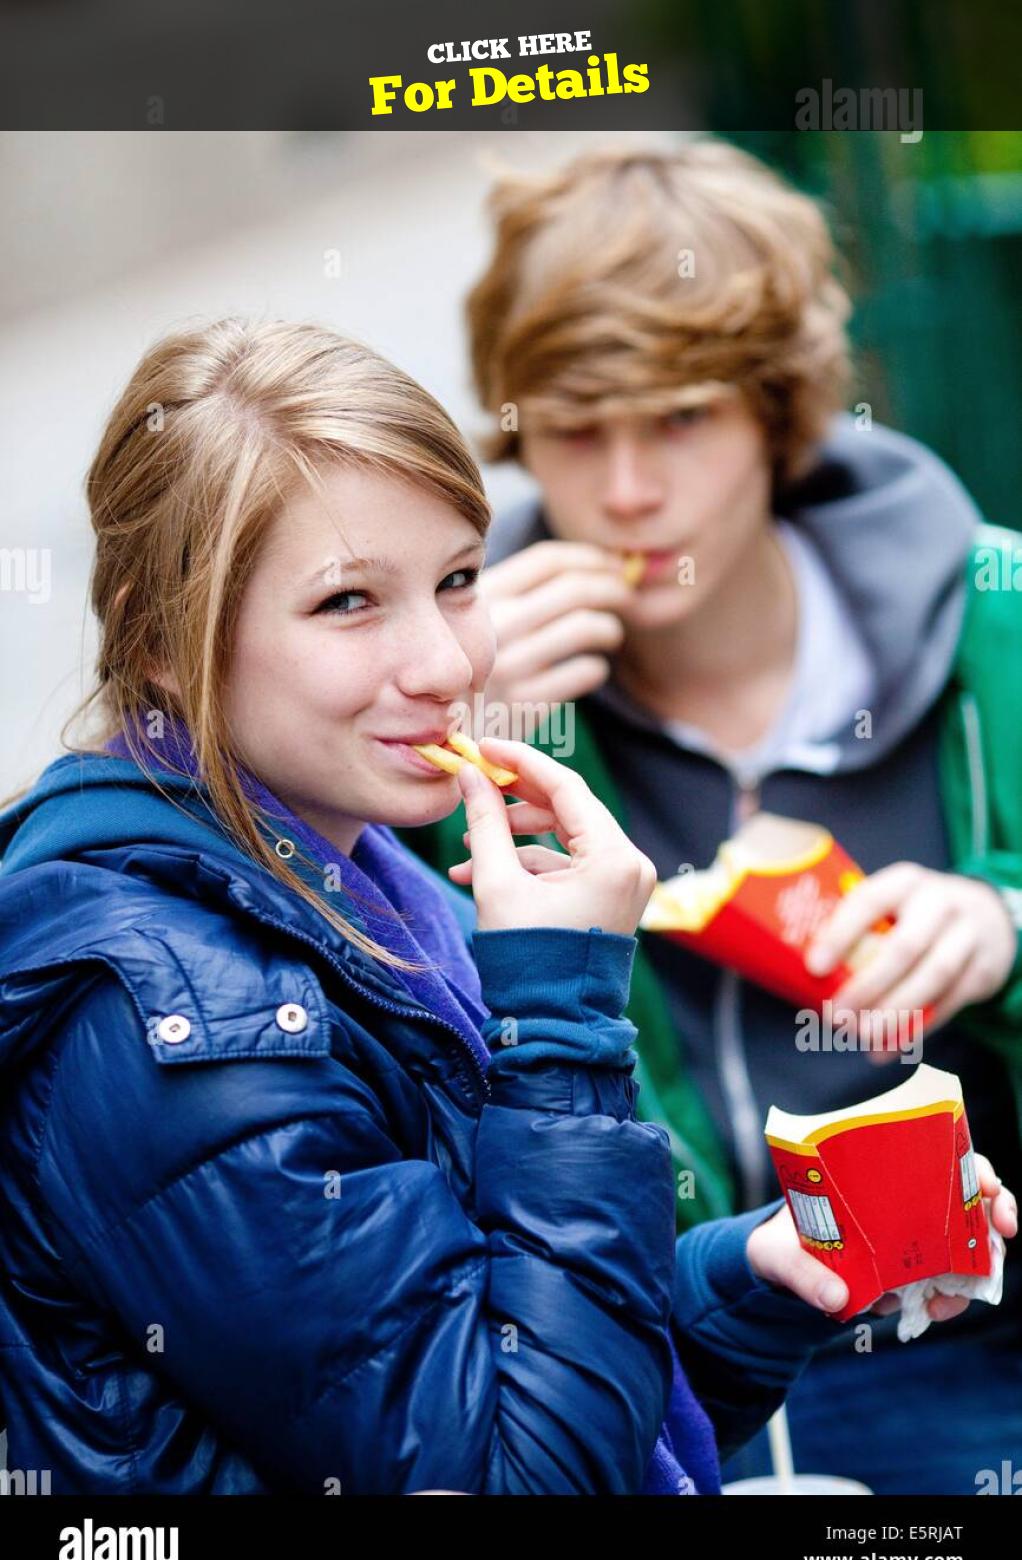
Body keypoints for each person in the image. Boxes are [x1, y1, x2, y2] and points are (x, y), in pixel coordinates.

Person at [5, 318, 1004, 1497]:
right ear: (165, 639)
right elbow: (522, 1472)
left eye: (457, 580)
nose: (443, 662)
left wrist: (753, 1273)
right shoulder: (177, 1022)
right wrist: (562, 1009)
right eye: (346, 604)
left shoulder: (365, 884)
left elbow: (513, 1342)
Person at [399, 142, 1022, 1494]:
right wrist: (451, 758)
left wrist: (1005, 922)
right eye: (573, 428)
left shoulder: (996, 616)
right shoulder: (446, 676)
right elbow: (380, 1038)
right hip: (643, 1353)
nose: (624, 489)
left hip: (968, 1331)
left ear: (776, 413)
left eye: (679, 418)